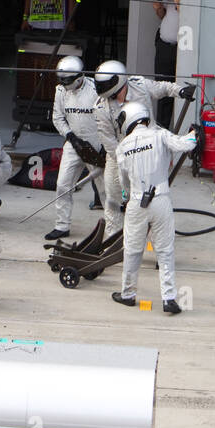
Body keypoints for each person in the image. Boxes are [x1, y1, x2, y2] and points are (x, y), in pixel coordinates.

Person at [93, 60, 195, 239]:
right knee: (113, 197)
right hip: (119, 153)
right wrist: (127, 161)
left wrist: (179, 91)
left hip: (150, 150)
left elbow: (162, 87)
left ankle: (154, 239)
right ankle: (112, 239)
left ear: (118, 81)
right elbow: (108, 141)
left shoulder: (139, 85)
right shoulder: (100, 107)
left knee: (151, 198)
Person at [113, 101, 197, 315]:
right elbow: (185, 144)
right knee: (165, 251)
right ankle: (169, 298)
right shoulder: (159, 135)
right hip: (161, 199)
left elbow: (122, 182)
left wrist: (126, 197)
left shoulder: (122, 147)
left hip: (136, 203)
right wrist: (196, 133)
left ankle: (127, 294)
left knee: (132, 250)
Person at [45, 57, 104, 241]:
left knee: (105, 190)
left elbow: (110, 116)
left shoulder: (97, 89)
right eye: (60, 80)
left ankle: (114, 227)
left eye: (67, 80)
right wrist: (70, 137)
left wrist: (106, 146)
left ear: (79, 77)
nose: (63, 84)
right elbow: (58, 118)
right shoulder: (61, 91)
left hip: (98, 142)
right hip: (73, 141)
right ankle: (62, 226)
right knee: (63, 184)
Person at [152, 0, 181, 125]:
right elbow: (164, 16)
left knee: (179, 88)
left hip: (180, 48)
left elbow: (186, 12)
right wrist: (158, 8)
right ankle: (161, 127)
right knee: (162, 87)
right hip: (164, 46)